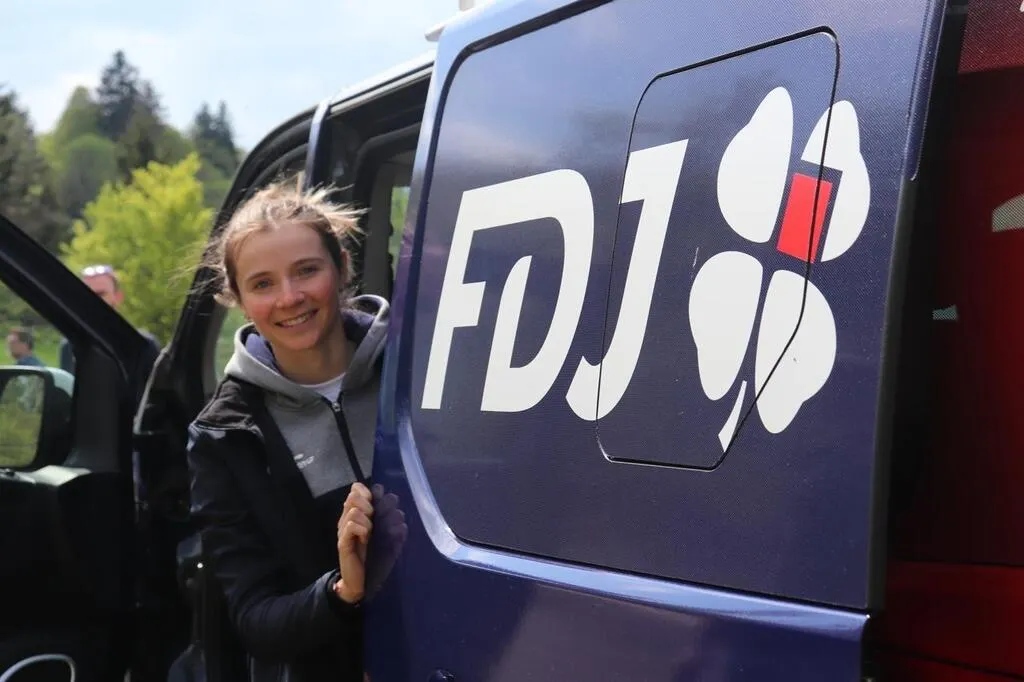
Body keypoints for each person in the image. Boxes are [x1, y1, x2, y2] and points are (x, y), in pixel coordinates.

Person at [185, 180, 388, 682]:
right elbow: (257, 621)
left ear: (342, 267)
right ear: (238, 299)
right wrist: (343, 591)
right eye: (262, 284)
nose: (290, 298)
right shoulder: (223, 436)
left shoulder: (420, 366)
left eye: (306, 270)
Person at [59, 264, 161, 373]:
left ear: (117, 297)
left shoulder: (142, 345)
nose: (91, 300)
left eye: (100, 294)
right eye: (86, 294)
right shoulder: (70, 346)